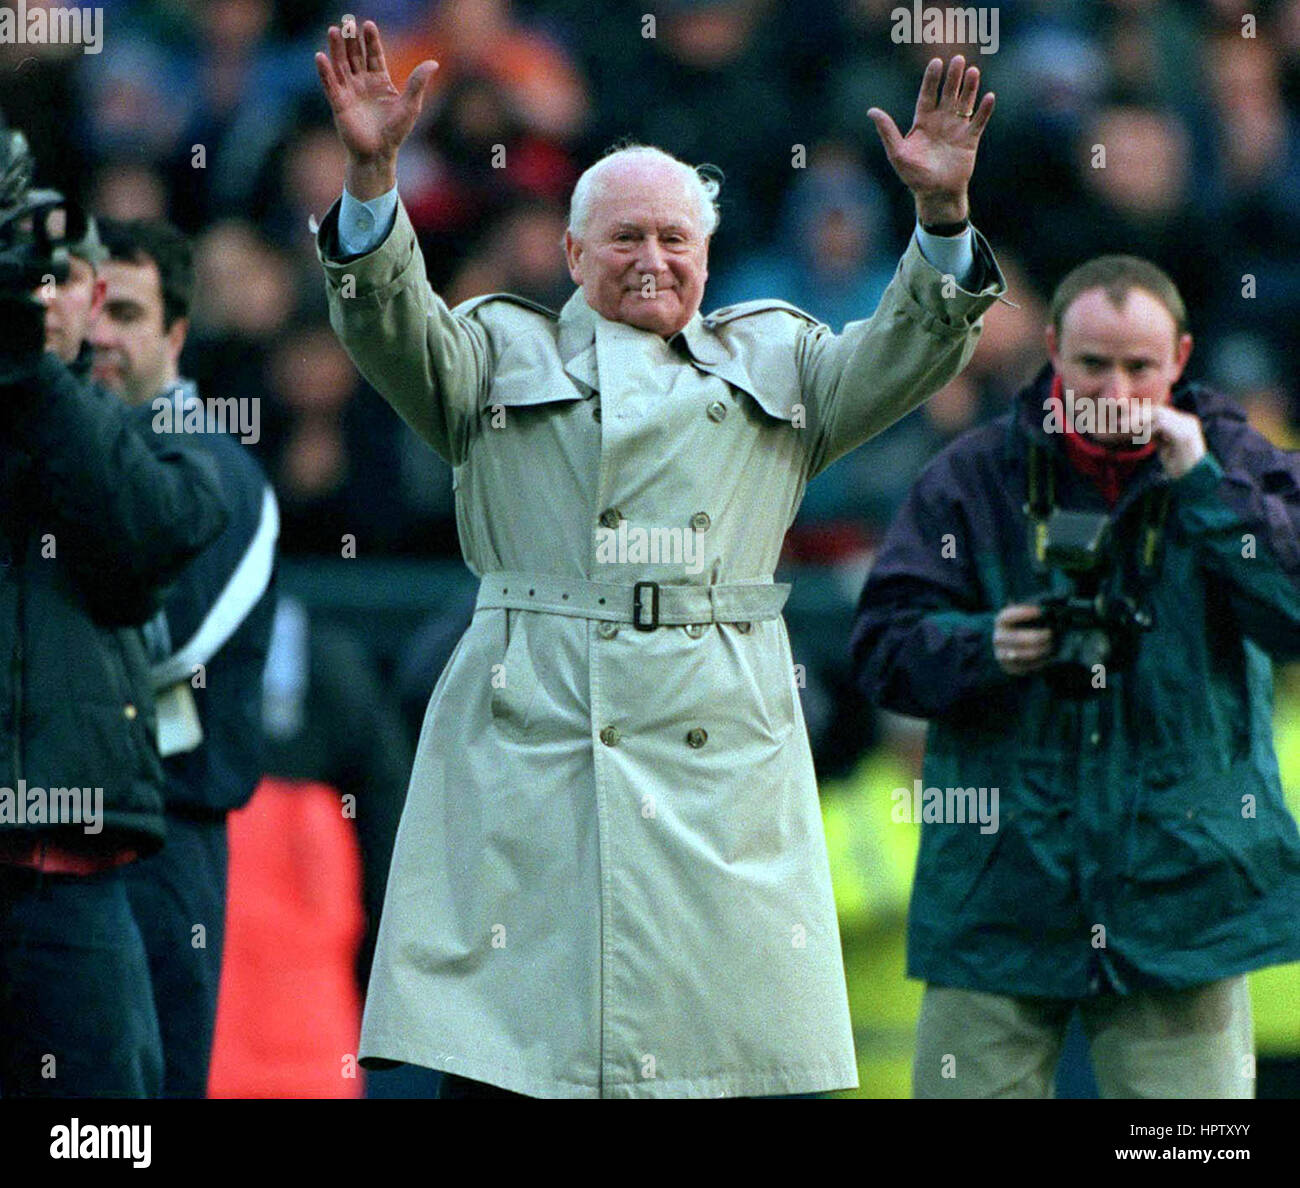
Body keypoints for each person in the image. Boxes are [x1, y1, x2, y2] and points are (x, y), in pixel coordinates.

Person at [313, 19, 1006, 1098]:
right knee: (514, 1064)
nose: (652, 259)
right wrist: (369, 179)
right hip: (532, 737)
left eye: (675, 240)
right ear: (573, 255)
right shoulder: (496, 351)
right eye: (625, 238)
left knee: (708, 1065)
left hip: (711, 753)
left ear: (709, 257)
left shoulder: (780, 357)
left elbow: (913, 349)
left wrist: (941, 214)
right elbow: (386, 325)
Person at [851, 254, 1300, 1098]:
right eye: (1094, 362)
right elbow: (881, 648)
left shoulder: (1238, 465)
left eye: (1141, 365)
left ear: (1181, 357)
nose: (1117, 385)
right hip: (1001, 890)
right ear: (1053, 348)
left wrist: (1200, 486)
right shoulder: (972, 475)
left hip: (1179, 896)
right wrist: (987, 647)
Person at [0, 184, 228, 1095]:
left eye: (59, 279)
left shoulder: (154, 444)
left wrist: (33, 373)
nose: (39, 298)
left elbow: (147, 535)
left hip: (72, 882)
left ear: (91, 304)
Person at [89, 218, 279, 1098]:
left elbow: (157, 642)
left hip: (164, 840)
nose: (98, 334)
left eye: (124, 311)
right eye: (84, 305)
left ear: (174, 333)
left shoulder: (216, 470)